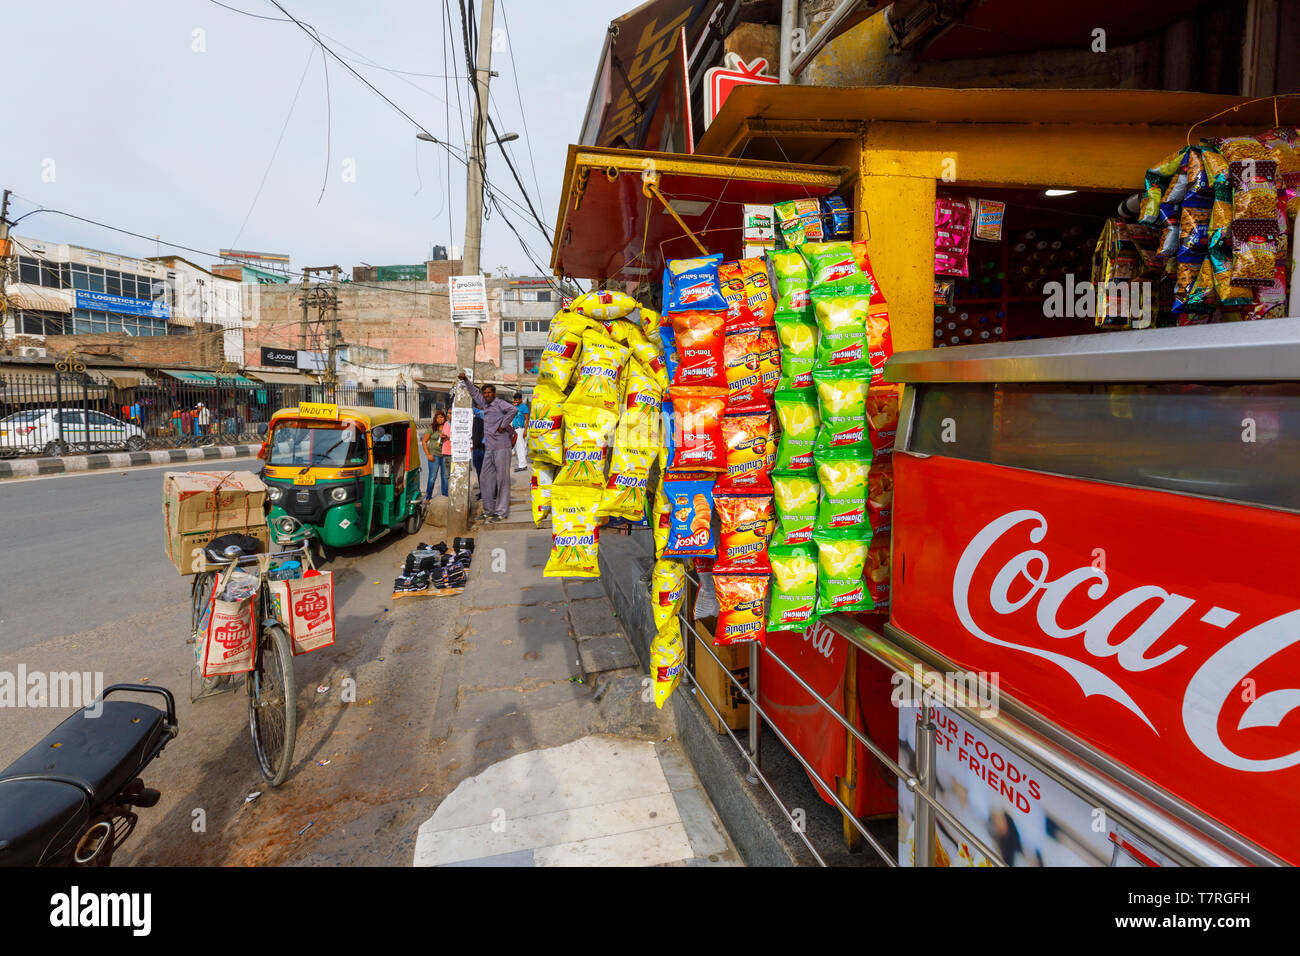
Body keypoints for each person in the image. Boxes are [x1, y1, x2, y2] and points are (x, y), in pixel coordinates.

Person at [459, 372, 517, 522]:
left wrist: (502, 425)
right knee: (484, 478)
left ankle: (501, 512)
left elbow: (513, 410)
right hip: (490, 448)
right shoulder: (484, 404)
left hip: (502, 447)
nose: (486, 395)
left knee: (502, 479)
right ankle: (488, 510)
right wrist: (465, 379)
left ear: (494, 393)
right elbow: (474, 392)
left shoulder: (499, 403)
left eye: (489, 393)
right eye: (484, 393)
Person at [422, 410, 451, 498]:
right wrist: (428, 455)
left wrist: (447, 437)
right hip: (434, 455)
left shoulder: (448, 426)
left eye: (441, 417)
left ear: (444, 418)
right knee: (432, 477)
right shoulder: (432, 428)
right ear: (435, 419)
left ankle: (445, 496)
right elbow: (424, 441)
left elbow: (454, 437)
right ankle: (428, 496)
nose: (440, 419)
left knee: (445, 477)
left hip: (445, 455)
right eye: (438, 417)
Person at [511, 393, 529, 471]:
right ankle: (521, 464)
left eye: (517, 400)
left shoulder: (524, 407)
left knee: (520, 447)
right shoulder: (515, 406)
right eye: (515, 400)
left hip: (520, 429)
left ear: (521, 399)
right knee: (517, 447)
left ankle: (523, 465)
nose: (516, 401)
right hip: (515, 429)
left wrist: (525, 431)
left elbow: (527, 420)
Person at [471, 406, 485, 499]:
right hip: (476, 448)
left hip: (485, 448)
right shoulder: (473, 419)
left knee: (486, 472)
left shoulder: (488, 416)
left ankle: (490, 492)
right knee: (479, 471)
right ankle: (483, 491)